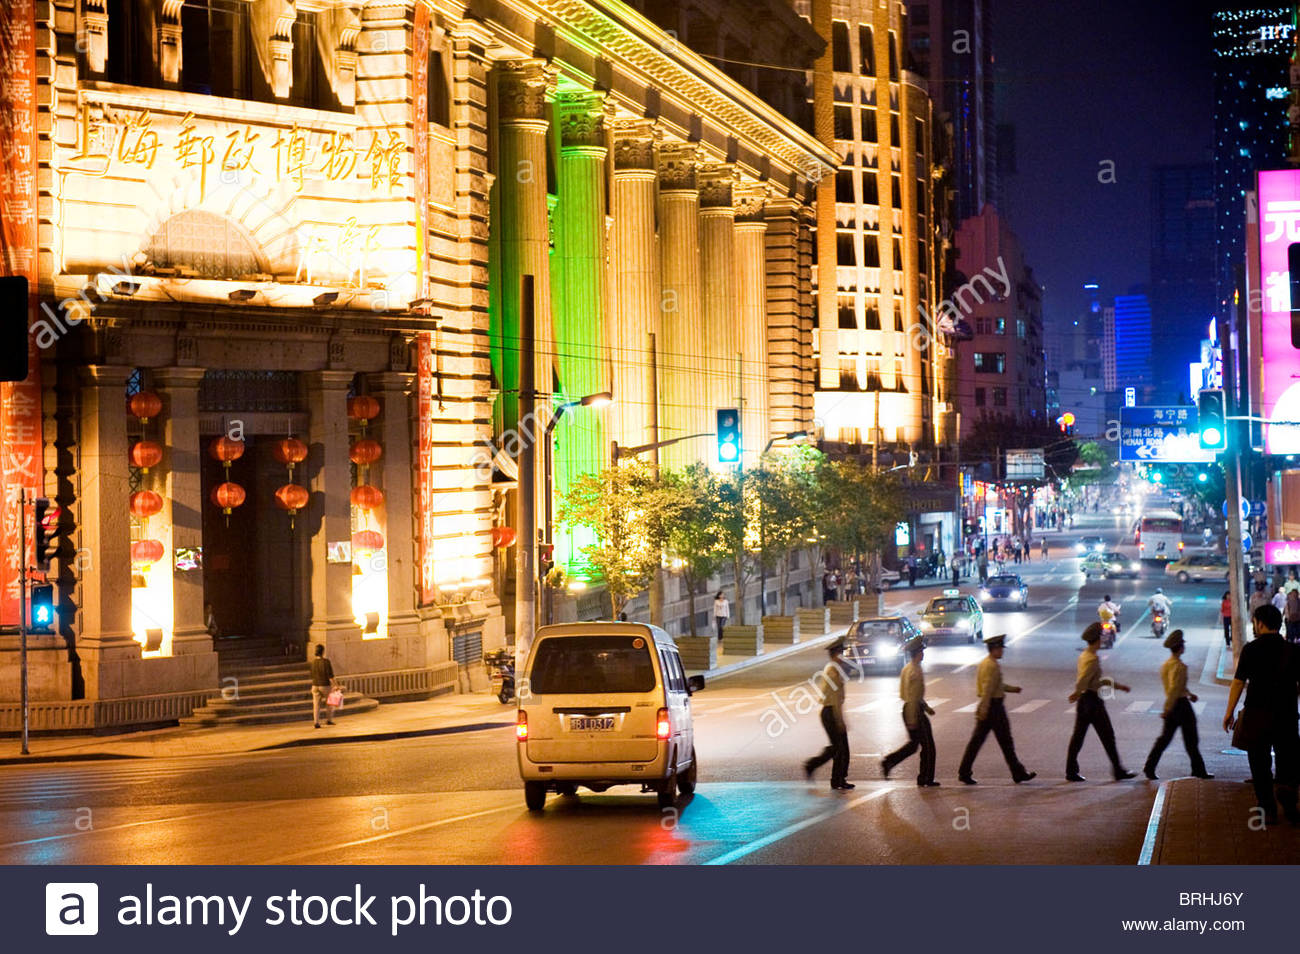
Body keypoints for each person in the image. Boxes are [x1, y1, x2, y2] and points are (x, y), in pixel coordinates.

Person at [1222, 604, 1300, 825]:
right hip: (1286, 716)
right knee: (1288, 760)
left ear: (1260, 623)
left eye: (1255, 621)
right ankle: (1289, 804)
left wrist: (1229, 712)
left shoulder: (1251, 649)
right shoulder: (1293, 651)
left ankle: (1267, 808)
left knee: (1259, 763)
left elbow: (1238, 683)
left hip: (1257, 715)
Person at [957, 634, 1036, 785]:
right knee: (1005, 742)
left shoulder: (986, 663)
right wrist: (985, 708)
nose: (1002, 652)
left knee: (978, 741)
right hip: (994, 708)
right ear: (994, 649)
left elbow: (995, 686)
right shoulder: (992, 665)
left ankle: (964, 771)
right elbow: (988, 689)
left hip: (991, 706)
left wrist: (1012, 689)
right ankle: (1017, 772)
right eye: (1000, 649)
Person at [1066, 623, 1137, 782]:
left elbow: (1097, 680)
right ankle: (1118, 770)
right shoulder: (1092, 659)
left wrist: (1118, 686)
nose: (1102, 641)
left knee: (1078, 737)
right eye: (1100, 638)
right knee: (1107, 735)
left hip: (1085, 701)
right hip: (1092, 702)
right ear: (1096, 640)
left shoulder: (1084, 655)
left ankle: (1071, 770)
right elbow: (1084, 679)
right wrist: (1077, 692)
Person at [1143, 630, 1212, 781]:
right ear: (1180, 648)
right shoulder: (1180, 667)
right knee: (1191, 740)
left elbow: (1175, 687)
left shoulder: (1165, 665)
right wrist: (1167, 708)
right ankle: (1199, 770)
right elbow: (1175, 688)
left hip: (1174, 704)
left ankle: (1149, 767)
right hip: (1181, 706)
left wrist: (1188, 695)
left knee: (1164, 739)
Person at [881, 636, 939, 787]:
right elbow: (913, 697)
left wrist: (925, 707)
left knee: (914, 745)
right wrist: (913, 718)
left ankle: (889, 762)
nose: (923, 654)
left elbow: (906, 694)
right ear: (918, 653)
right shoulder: (914, 671)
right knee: (929, 747)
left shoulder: (908, 668)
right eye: (922, 651)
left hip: (911, 709)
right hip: (914, 711)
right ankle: (925, 778)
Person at [804, 640, 853, 791]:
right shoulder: (832, 671)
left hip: (831, 711)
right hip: (831, 712)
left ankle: (838, 779)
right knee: (839, 748)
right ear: (836, 654)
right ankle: (817, 768)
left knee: (840, 747)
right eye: (841, 653)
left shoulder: (834, 668)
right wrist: (840, 720)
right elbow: (835, 699)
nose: (843, 656)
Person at [309, 643, 338, 728]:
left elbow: (312, 674)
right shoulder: (326, 662)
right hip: (325, 685)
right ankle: (329, 720)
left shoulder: (312, 663)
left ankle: (316, 722)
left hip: (315, 685)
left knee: (316, 705)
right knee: (330, 703)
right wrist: (336, 685)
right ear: (323, 652)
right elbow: (330, 676)